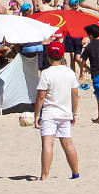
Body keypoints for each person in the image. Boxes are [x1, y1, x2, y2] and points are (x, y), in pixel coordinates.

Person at [33, 40, 79, 180]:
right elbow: (75, 94)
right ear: (62, 56)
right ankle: (75, 173)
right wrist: (74, 112)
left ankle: (44, 175)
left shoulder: (46, 73)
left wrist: (36, 116)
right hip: (65, 112)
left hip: (49, 113)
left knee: (47, 144)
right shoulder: (69, 72)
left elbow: (41, 96)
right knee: (67, 143)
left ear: (48, 56)